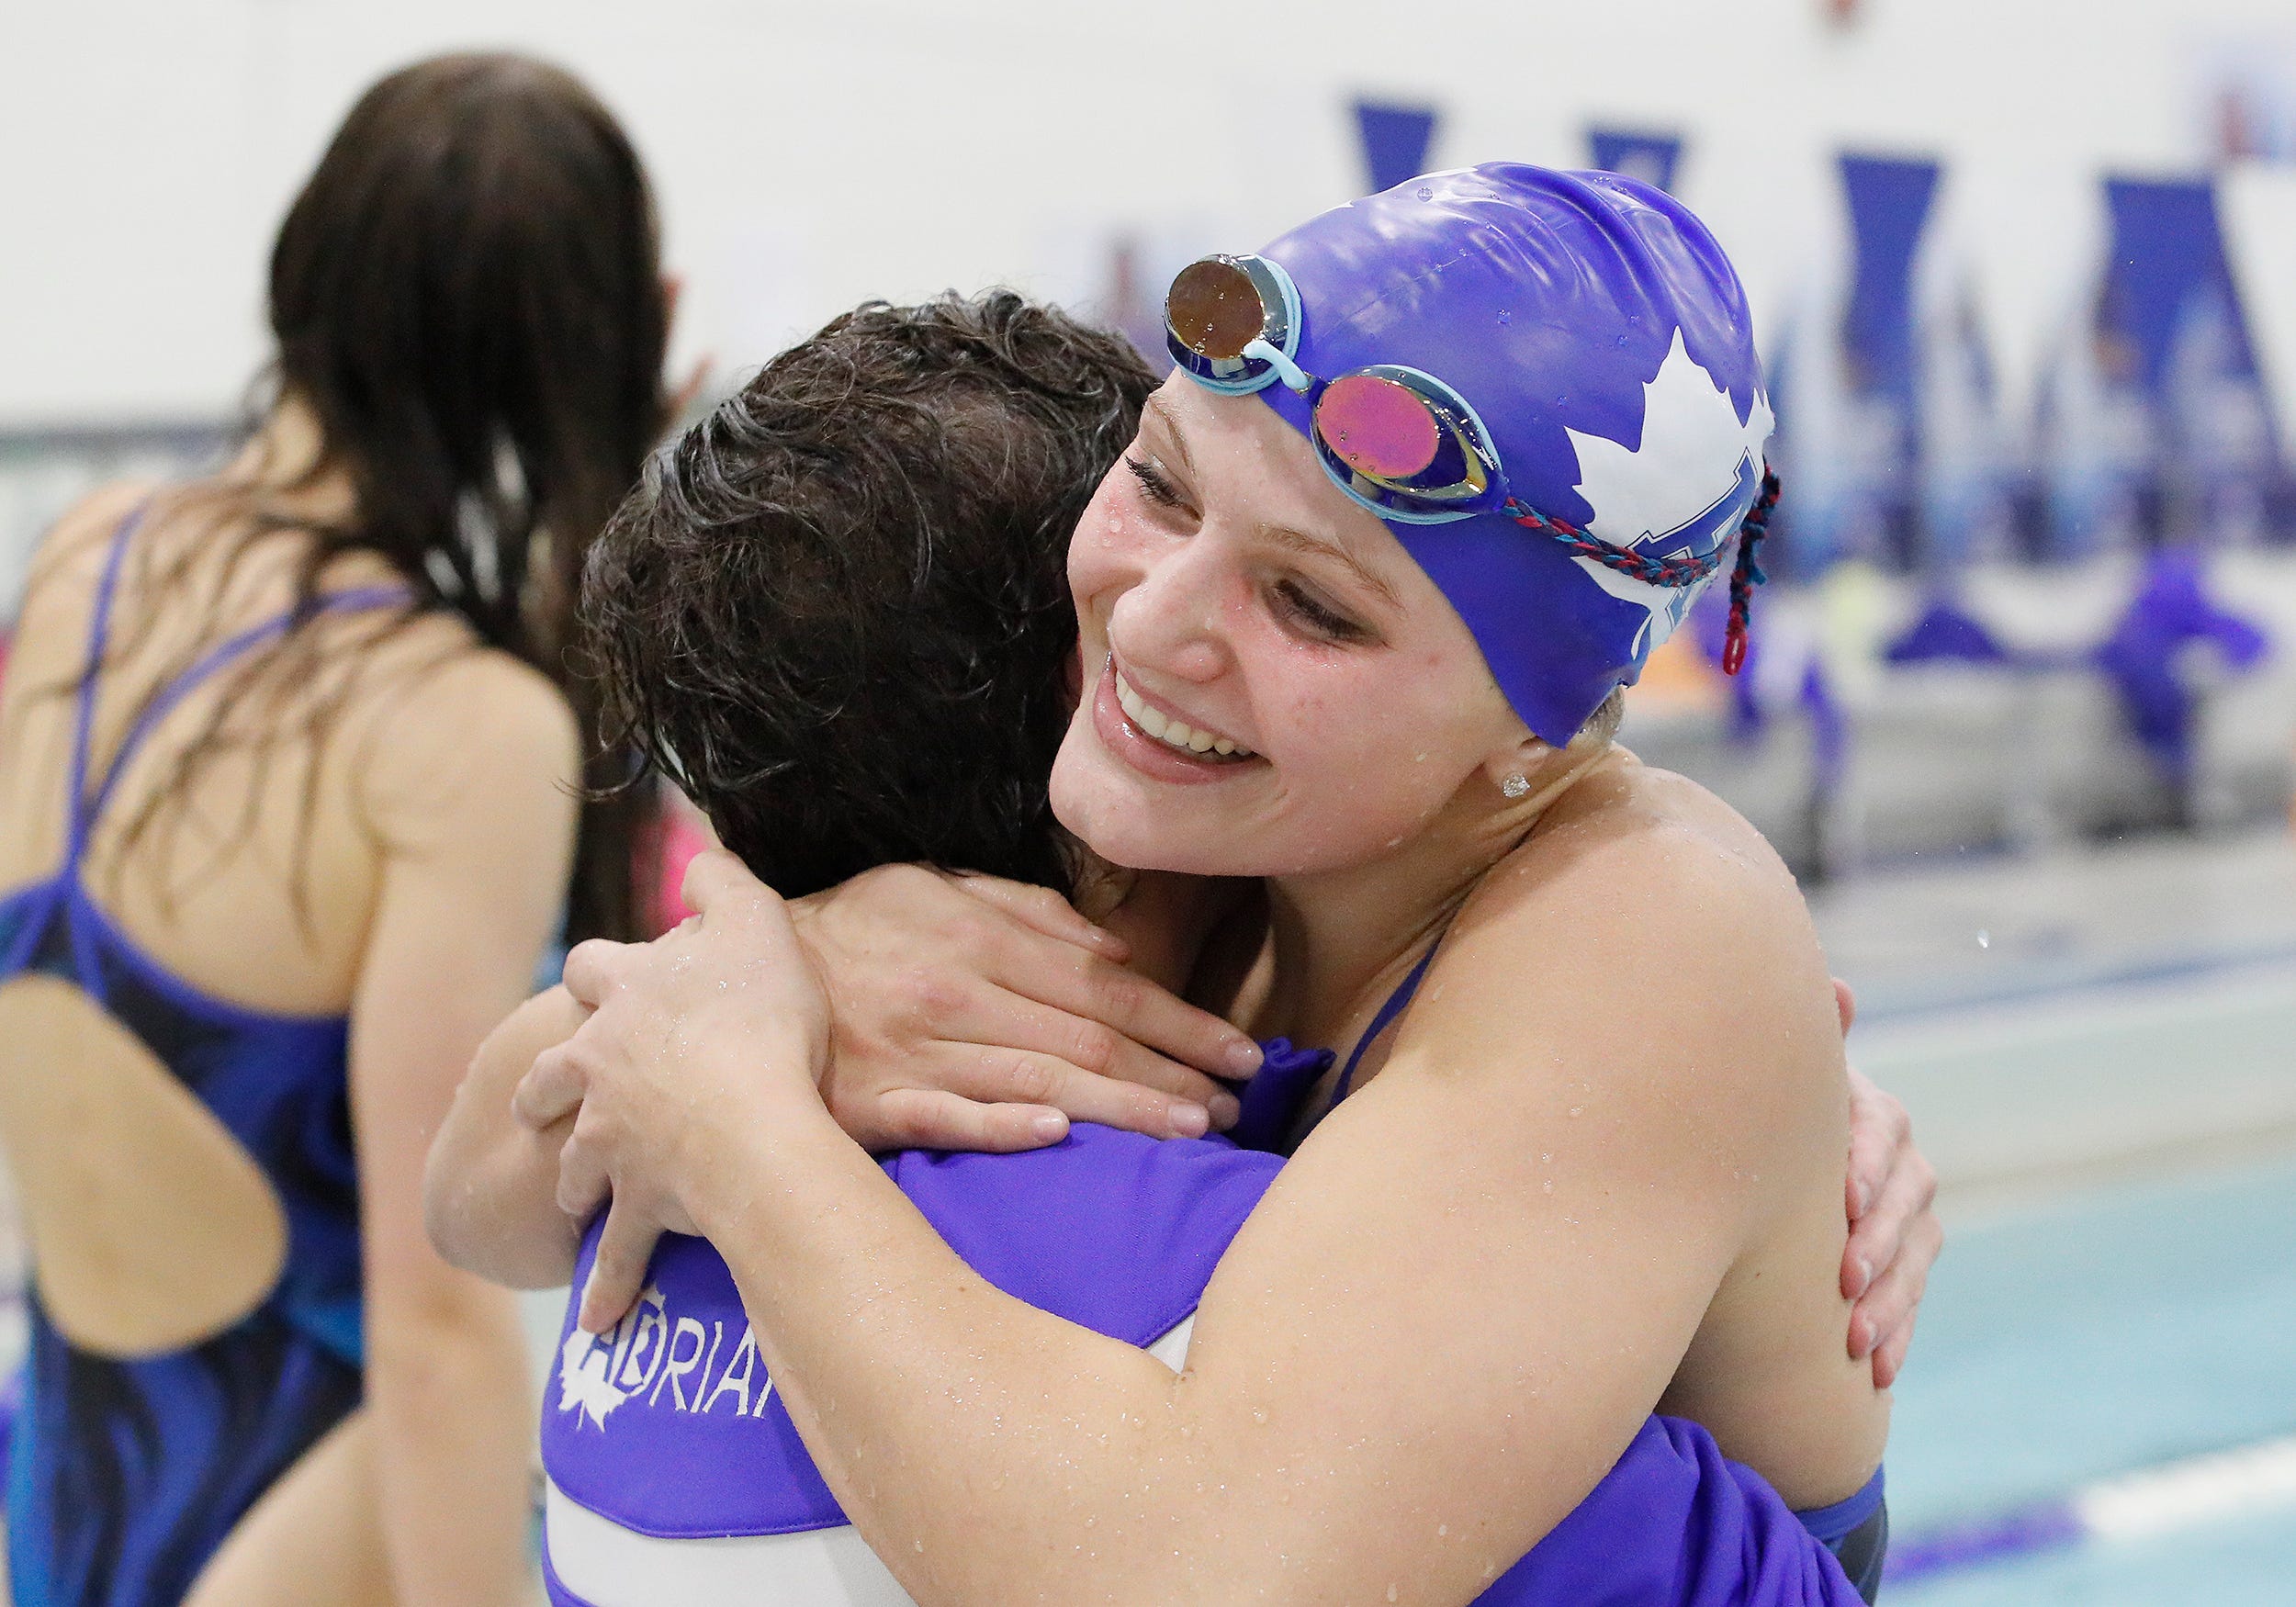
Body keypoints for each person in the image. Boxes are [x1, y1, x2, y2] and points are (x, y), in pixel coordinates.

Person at [510, 165, 1927, 1605]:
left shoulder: (1647, 929)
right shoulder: (1233, 841)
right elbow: (481, 1191)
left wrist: (745, 1129)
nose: (1159, 617)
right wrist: (801, 962)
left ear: (1537, 728)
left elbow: (1195, 1577)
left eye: (1311, 604)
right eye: (1164, 484)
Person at [0, 54, 669, 1607]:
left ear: (306, 270)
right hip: (297, 1505)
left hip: (64, 1472)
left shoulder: (87, 561)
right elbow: (434, 1327)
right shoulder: (456, 726)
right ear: (569, 355)